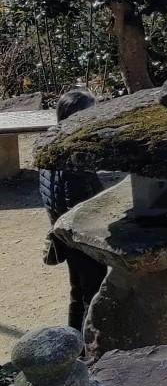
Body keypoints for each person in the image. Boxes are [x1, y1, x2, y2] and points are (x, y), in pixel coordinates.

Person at [39, 87, 105, 332]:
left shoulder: (51, 144)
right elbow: (82, 203)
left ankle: (74, 342)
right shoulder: (74, 156)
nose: (96, 117)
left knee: (77, 292)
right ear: (77, 116)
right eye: (92, 112)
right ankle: (90, 350)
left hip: (62, 233)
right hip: (80, 238)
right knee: (93, 294)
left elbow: (51, 195)